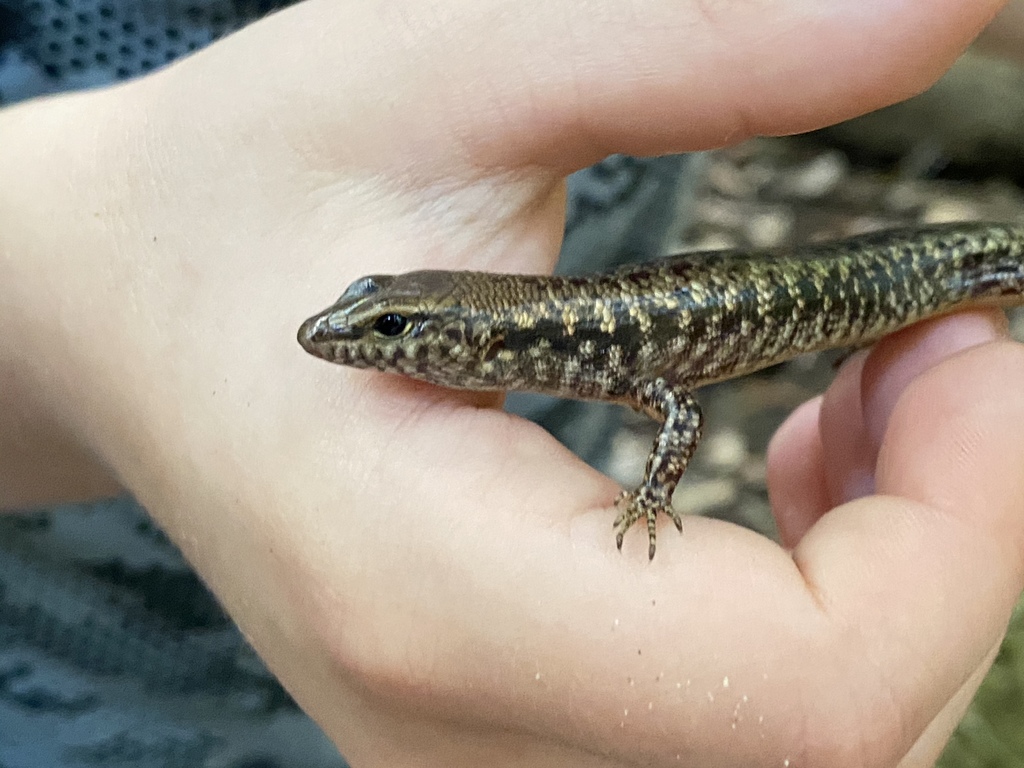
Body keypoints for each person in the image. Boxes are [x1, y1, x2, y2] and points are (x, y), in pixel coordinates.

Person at [0, 1, 1020, 766]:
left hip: (910, 273)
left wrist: (653, 496)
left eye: (390, 326)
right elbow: (670, 402)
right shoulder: (570, 349)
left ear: (469, 345)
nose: (350, 337)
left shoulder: (592, 351)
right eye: (377, 323)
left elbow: (674, 407)